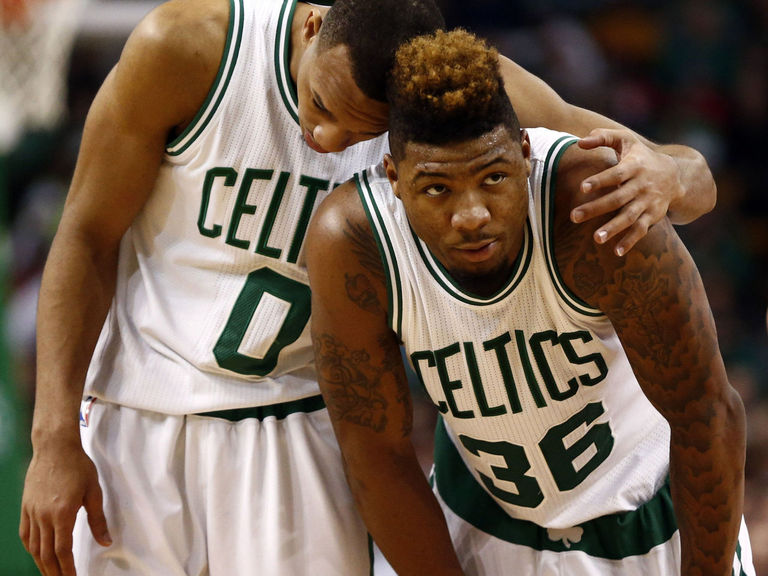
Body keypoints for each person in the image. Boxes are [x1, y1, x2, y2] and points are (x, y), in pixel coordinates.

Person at [18, 0, 719, 573]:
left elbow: (673, 172)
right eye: (321, 100)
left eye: (359, 126)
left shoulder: (450, 93)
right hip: (138, 413)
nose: (323, 136)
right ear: (313, 26)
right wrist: (51, 439)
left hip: (303, 427)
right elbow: (83, 234)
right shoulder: (189, 46)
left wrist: (670, 174)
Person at [306, 28, 755, 576]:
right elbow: (377, 459)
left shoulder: (593, 202)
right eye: (437, 189)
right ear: (394, 178)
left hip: (653, 526)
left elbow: (707, 416)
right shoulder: (353, 241)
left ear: (524, 151)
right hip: (482, 526)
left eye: (493, 177)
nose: (470, 214)